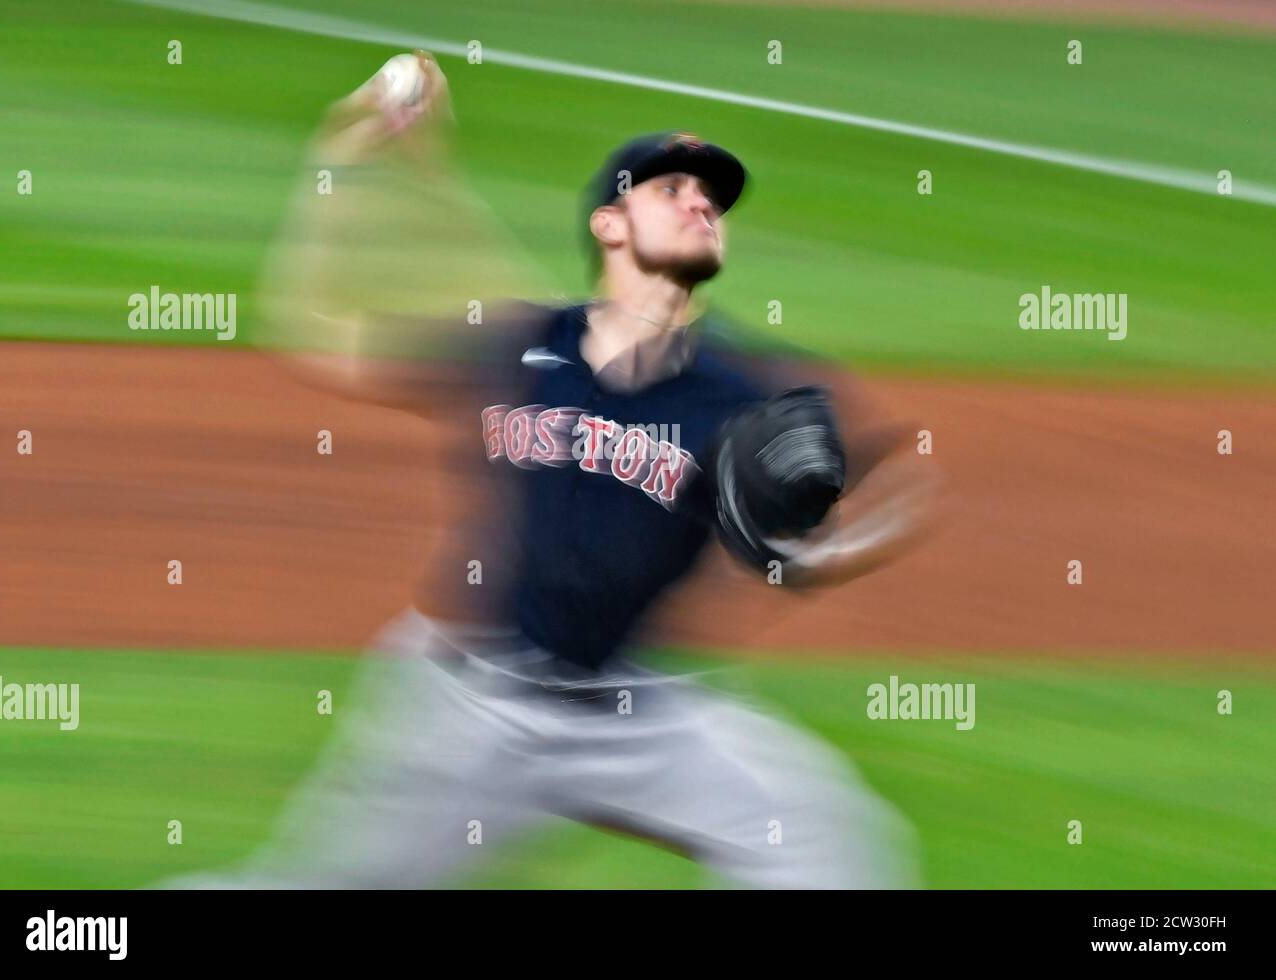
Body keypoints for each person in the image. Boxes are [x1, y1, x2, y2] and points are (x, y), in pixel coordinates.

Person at [176, 51, 940, 889]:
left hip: (633, 716)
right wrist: (336, 160)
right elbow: (315, 330)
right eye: (670, 188)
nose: (701, 203)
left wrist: (834, 546)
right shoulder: (521, 346)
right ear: (609, 225)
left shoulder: (752, 391)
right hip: (471, 714)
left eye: (711, 197)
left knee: (824, 842)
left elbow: (845, 521)